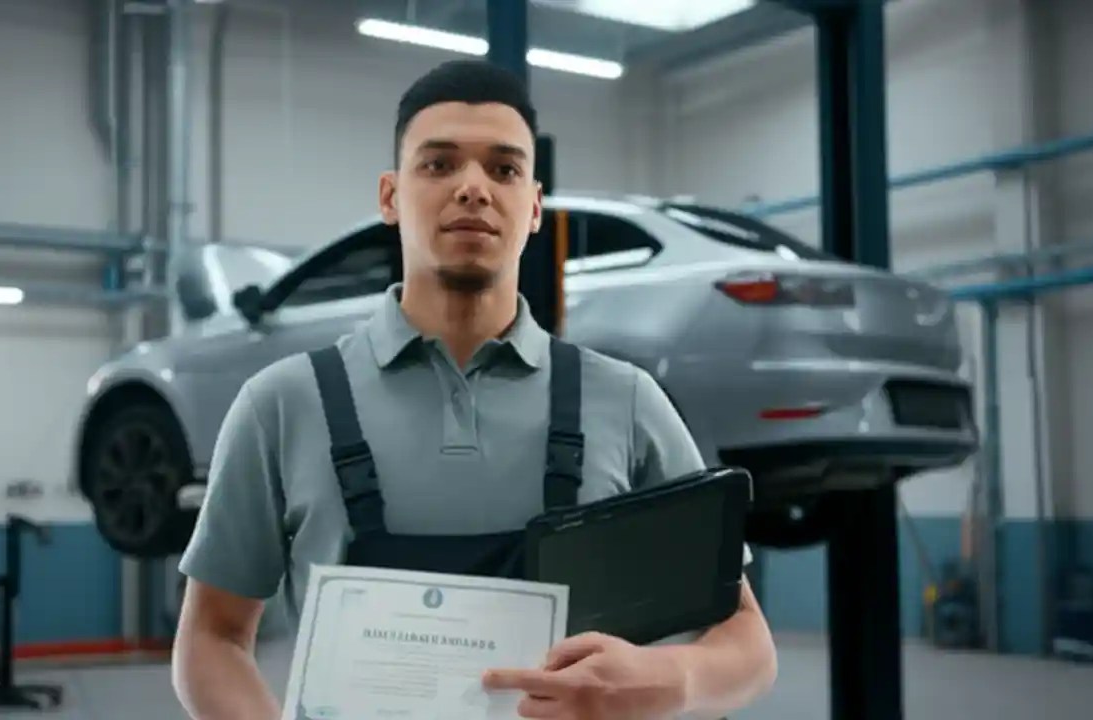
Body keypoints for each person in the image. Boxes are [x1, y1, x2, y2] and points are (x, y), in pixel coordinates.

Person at [171, 58, 777, 719]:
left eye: (504, 168)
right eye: (438, 164)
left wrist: (674, 679)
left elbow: (745, 639)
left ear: (535, 206)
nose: (473, 188)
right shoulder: (282, 405)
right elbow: (212, 635)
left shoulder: (626, 404)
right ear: (389, 195)